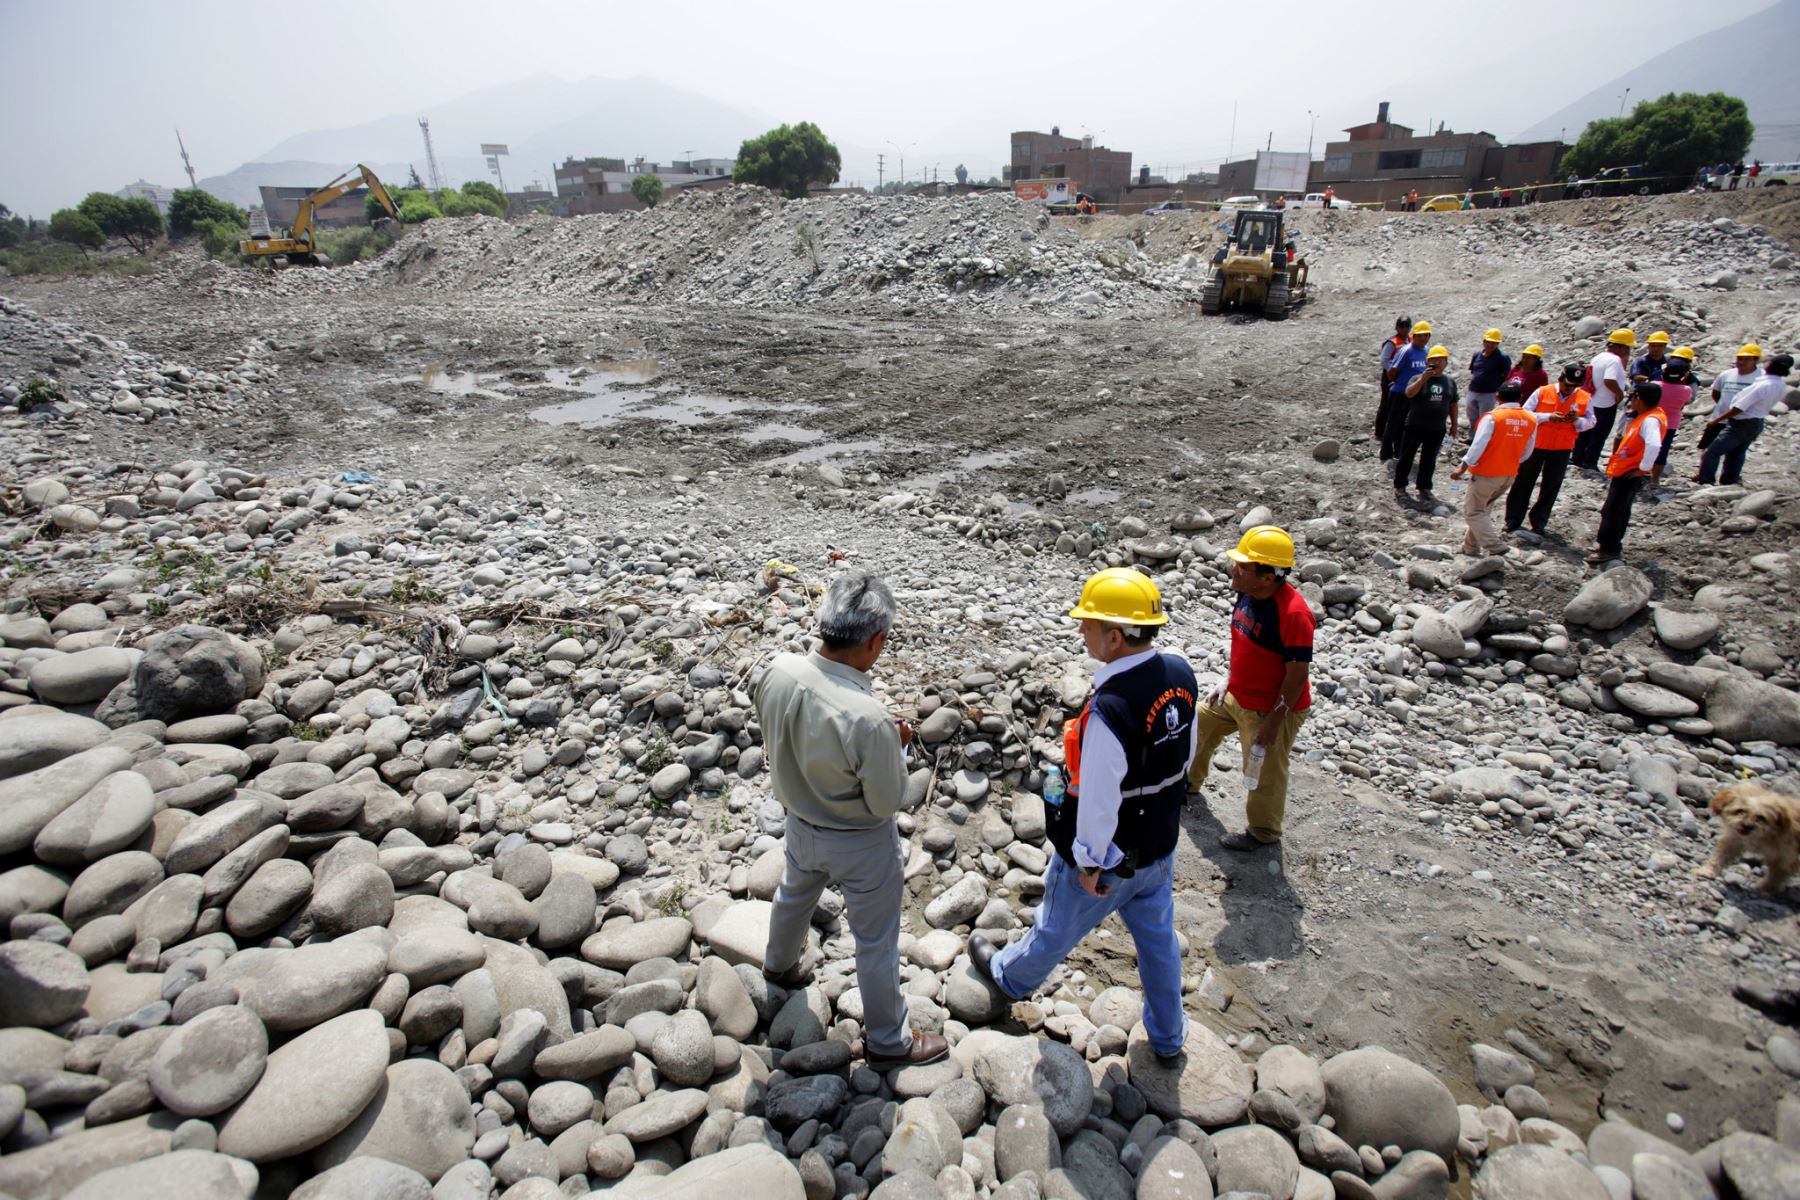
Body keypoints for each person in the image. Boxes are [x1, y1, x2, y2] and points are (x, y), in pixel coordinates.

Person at [970, 568, 1196, 1062]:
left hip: (1111, 858)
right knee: (1159, 942)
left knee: (1057, 925)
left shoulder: (1110, 708)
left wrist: (1091, 861)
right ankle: (1167, 1036)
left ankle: (1009, 977)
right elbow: (1186, 753)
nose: (1080, 630)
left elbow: (1098, 798)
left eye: (1088, 624)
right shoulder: (1180, 674)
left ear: (1115, 637)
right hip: (1159, 844)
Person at [754, 569, 948, 1069]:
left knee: (793, 895)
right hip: (860, 844)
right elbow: (886, 802)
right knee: (875, 941)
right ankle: (888, 1042)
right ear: (876, 640)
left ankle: (777, 967)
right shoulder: (870, 718)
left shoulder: (778, 669)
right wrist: (894, 747)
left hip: (799, 823)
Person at [1185, 527, 1312, 850]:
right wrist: (1228, 679)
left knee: (1264, 770)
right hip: (1236, 695)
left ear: (1268, 577)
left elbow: (1297, 675)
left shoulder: (1294, 614)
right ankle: (1186, 785)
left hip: (1269, 708)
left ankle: (1263, 832)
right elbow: (1243, 643)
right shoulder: (1247, 594)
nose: (1234, 571)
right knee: (1198, 725)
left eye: (1243, 567)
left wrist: (1274, 721)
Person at [1451, 380, 1537, 555]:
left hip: (1487, 473)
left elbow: (1478, 445)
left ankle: (1495, 545)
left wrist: (1463, 467)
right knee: (1483, 509)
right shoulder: (1530, 419)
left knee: (1473, 512)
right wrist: (1511, 461)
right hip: (1509, 473)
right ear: (1520, 397)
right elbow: (1528, 451)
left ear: (1497, 397)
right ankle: (1470, 547)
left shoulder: (1493, 417)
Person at [1507, 363, 1593, 534]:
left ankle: (1539, 522)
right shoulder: (1542, 392)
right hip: (1536, 444)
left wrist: (1576, 421)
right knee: (1523, 482)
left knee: (1551, 486)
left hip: (1562, 447)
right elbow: (1525, 413)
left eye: (1574, 386)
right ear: (1560, 378)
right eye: (1567, 385)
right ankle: (1513, 519)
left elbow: (1591, 421)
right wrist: (1547, 417)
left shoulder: (1584, 398)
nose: (1570, 389)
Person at [1590, 382, 1667, 564]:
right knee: (1619, 510)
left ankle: (1610, 549)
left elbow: (1654, 444)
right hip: (1627, 470)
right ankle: (1609, 545)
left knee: (1613, 511)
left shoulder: (1650, 420)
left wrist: (1643, 468)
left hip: (1629, 472)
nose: (1630, 401)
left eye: (1632, 397)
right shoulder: (1647, 416)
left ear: (1639, 398)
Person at [1697, 352, 1792, 485]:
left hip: (1742, 423)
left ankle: (1706, 480)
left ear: (1770, 364)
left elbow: (1740, 407)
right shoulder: (1780, 385)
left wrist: (1716, 420)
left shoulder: (1763, 385)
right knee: (1736, 453)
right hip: (1757, 422)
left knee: (1712, 452)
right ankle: (1729, 482)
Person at [1394, 344, 1459, 504]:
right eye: (1433, 360)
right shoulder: (1417, 378)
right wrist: (1423, 379)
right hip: (1415, 426)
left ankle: (1424, 488)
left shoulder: (1449, 382)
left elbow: (1453, 403)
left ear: (1446, 363)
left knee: (1429, 460)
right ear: (1427, 362)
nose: (1436, 362)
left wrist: (1454, 424)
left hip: (1437, 428)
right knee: (1406, 457)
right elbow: (1409, 393)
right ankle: (1400, 486)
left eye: (1440, 360)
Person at [1694, 344, 1767, 468]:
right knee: (1708, 447)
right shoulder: (1726, 374)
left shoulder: (1762, 377)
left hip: (1744, 422)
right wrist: (1724, 408)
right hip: (1720, 418)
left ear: (1756, 360)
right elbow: (1716, 393)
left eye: (1747, 359)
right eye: (1740, 358)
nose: (1742, 362)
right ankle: (1702, 472)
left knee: (1735, 453)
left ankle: (1729, 477)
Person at [1573, 329, 1634, 470]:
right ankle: (1590, 462)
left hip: (1591, 400)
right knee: (1599, 434)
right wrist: (1619, 394)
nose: (1628, 351)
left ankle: (1577, 458)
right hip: (1605, 403)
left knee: (1585, 431)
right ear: (1619, 346)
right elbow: (1609, 380)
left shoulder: (1598, 357)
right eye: (1627, 347)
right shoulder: (1615, 360)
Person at [1385, 319, 1434, 462]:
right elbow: (1392, 371)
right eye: (1420, 335)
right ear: (1414, 336)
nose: (1423, 338)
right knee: (1394, 423)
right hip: (1400, 392)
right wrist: (1399, 382)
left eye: (1426, 335)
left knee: (1407, 425)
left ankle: (1399, 452)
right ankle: (1386, 452)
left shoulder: (1427, 351)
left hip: (1415, 393)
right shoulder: (1406, 350)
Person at [1648, 349, 1697, 489]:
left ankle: (1638, 472)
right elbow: (1688, 400)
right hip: (1670, 424)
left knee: (1645, 446)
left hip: (1651, 420)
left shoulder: (1654, 385)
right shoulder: (1686, 390)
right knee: (1662, 450)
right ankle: (1655, 480)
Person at [1376, 315, 1413, 462]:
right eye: (1401, 326)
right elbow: (1384, 360)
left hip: (1403, 379)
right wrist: (1394, 371)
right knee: (1386, 405)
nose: (1404, 329)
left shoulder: (1411, 341)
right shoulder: (1392, 342)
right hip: (1390, 378)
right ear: (1397, 327)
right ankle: (1380, 432)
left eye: (1406, 326)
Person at [1465, 329, 1513, 435]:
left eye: (1494, 343)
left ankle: (1482, 438)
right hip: (1473, 390)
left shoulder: (1502, 358)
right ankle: (1472, 437)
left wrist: (1501, 392)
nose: (1490, 345)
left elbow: (1506, 376)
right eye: (1488, 342)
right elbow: (1473, 370)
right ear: (1484, 341)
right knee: (1472, 416)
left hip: (1489, 393)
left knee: (1484, 418)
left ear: (1498, 343)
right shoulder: (1477, 355)